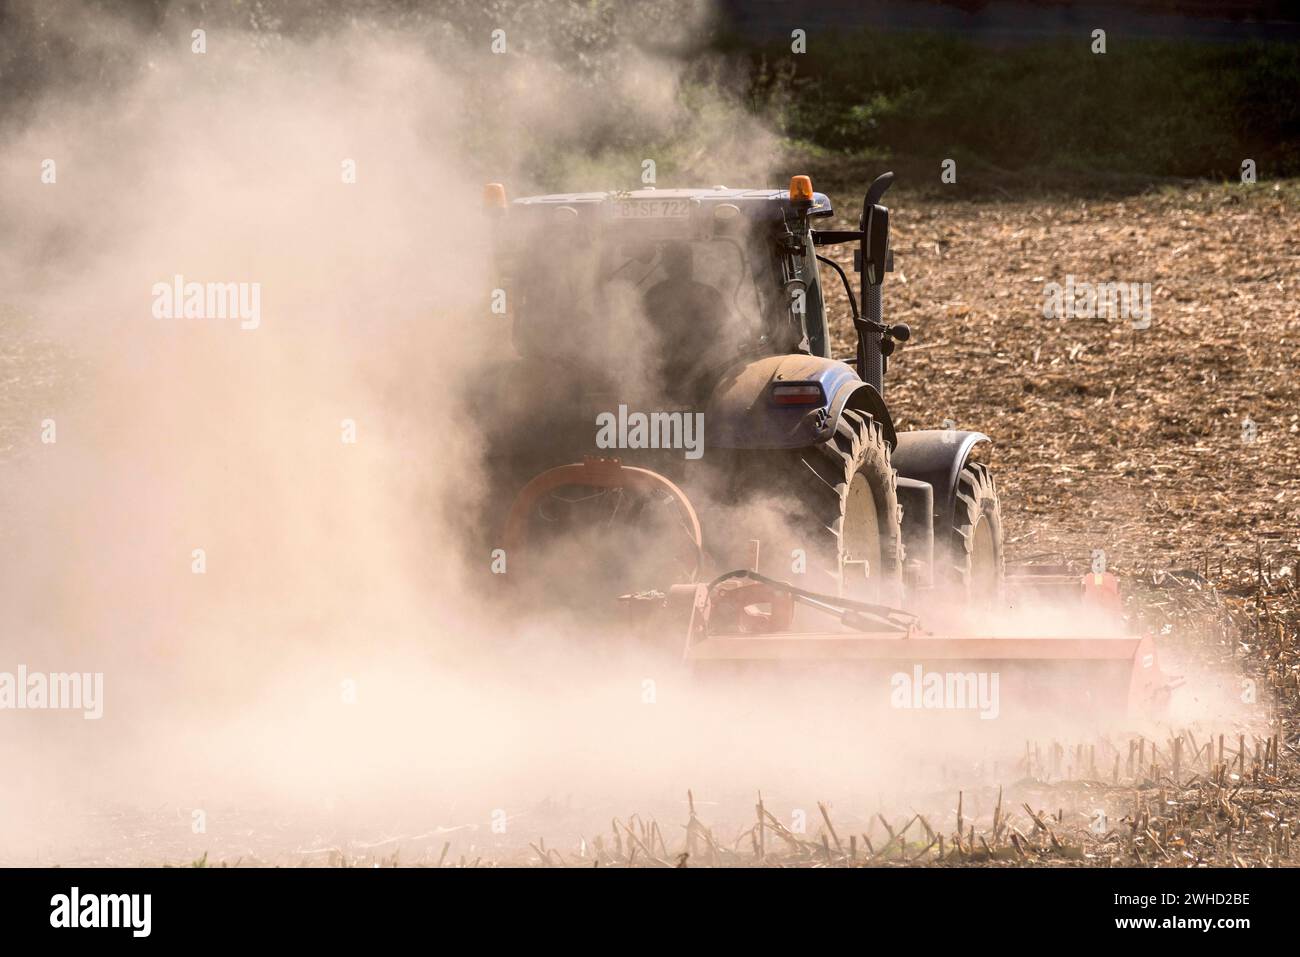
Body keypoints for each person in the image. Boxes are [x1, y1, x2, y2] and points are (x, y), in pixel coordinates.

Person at [641, 242, 730, 395]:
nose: (683, 265)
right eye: (677, 261)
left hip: (705, 376)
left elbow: (725, 335)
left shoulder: (709, 295)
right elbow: (642, 336)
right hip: (662, 374)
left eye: (684, 260)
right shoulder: (654, 296)